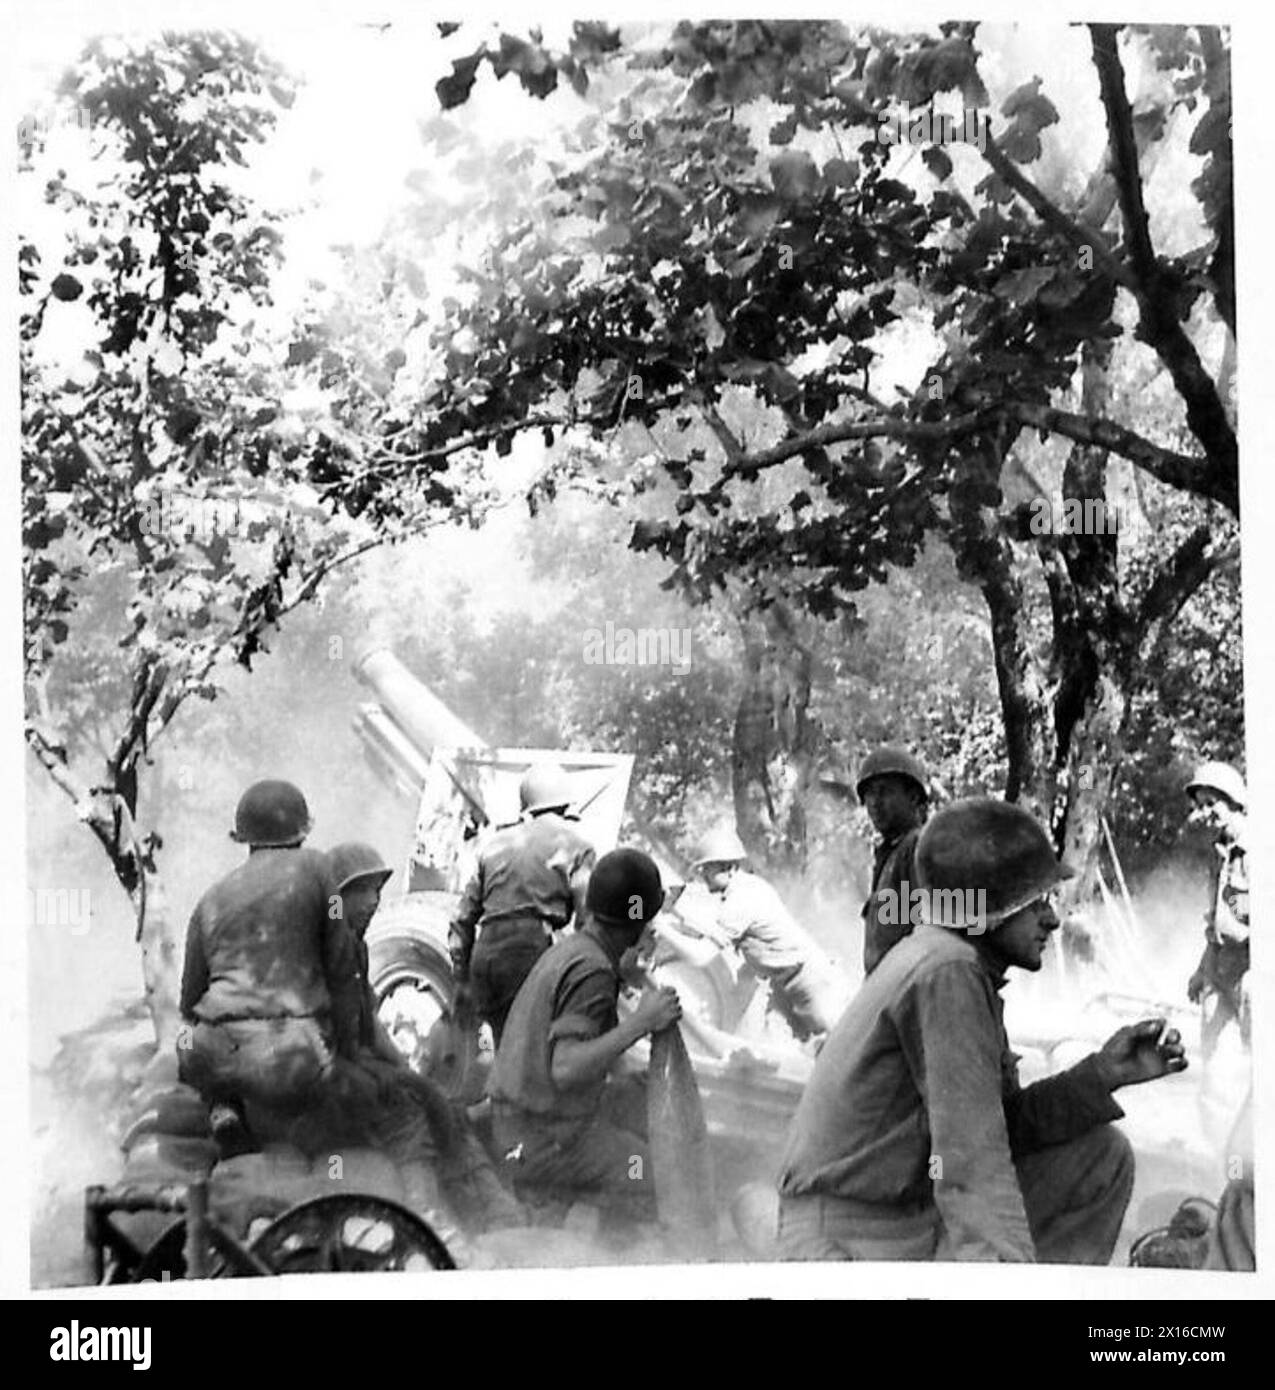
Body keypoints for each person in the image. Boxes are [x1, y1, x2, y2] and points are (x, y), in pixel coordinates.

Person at [776, 797, 1188, 1264]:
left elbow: (998, 1126)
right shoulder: (947, 970)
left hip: (905, 1215)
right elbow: (970, 1161)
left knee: (1099, 1158)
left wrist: (1100, 1075)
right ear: (988, 909)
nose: (1052, 919)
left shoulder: (955, 963)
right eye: (1035, 902)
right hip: (851, 1240)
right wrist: (1005, 1282)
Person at [319, 842, 522, 1231]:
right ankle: (426, 1222)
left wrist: (407, 1074)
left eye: (377, 891)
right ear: (336, 897)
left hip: (361, 1067)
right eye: (361, 891)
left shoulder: (357, 950)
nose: (372, 902)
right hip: (330, 1077)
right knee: (408, 1122)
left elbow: (371, 1027)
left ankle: (495, 1214)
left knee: (446, 1107)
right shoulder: (323, 952)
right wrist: (390, 1078)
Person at [487, 847, 682, 1220]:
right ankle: (596, 1250)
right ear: (637, 918)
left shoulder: (577, 951)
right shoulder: (593, 970)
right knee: (647, 1171)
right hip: (540, 1140)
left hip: (522, 1124)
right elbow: (566, 1069)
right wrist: (641, 1023)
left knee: (636, 1099)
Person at [178, 780, 338, 1144]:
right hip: (291, 1055)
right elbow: (341, 965)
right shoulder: (320, 870)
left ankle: (222, 1106)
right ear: (302, 831)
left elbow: (189, 999)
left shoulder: (210, 899)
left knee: (186, 1037)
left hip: (211, 1053)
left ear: (244, 837)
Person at [656, 826, 848, 1043]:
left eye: (707, 868)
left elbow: (701, 955)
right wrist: (674, 909)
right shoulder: (742, 890)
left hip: (809, 982)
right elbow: (711, 927)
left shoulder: (743, 899)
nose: (703, 875)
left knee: (836, 1048)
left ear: (728, 868)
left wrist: (659, 925)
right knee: (777, 1053)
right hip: (782, 985)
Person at [449, 764, 595, 1044]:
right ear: (566, 806)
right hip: (530, 953)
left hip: (486, 957)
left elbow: (462, 919)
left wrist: (461, 979)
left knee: (503, 1048)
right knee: (534, 1052)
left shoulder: (493, 845)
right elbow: (586, 921)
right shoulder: (576, 845)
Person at [1184, 761, 1250, 1058]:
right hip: (1219, 970)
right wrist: (1201, 971)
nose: (1207, 813)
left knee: (1260, 1061)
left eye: (1213, 804)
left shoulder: (1259, 850)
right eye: (1201, 806)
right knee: (1214, 1068)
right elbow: (1216, 926)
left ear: (1235, 801)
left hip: (1252, 972)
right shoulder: (1219, 855)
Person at [856, 746, 930, 975]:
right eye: (869, 794)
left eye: (884, 792)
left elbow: (931, 932)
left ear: (913, 796)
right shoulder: (889, 853)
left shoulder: (919, 847)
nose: (875, 803)